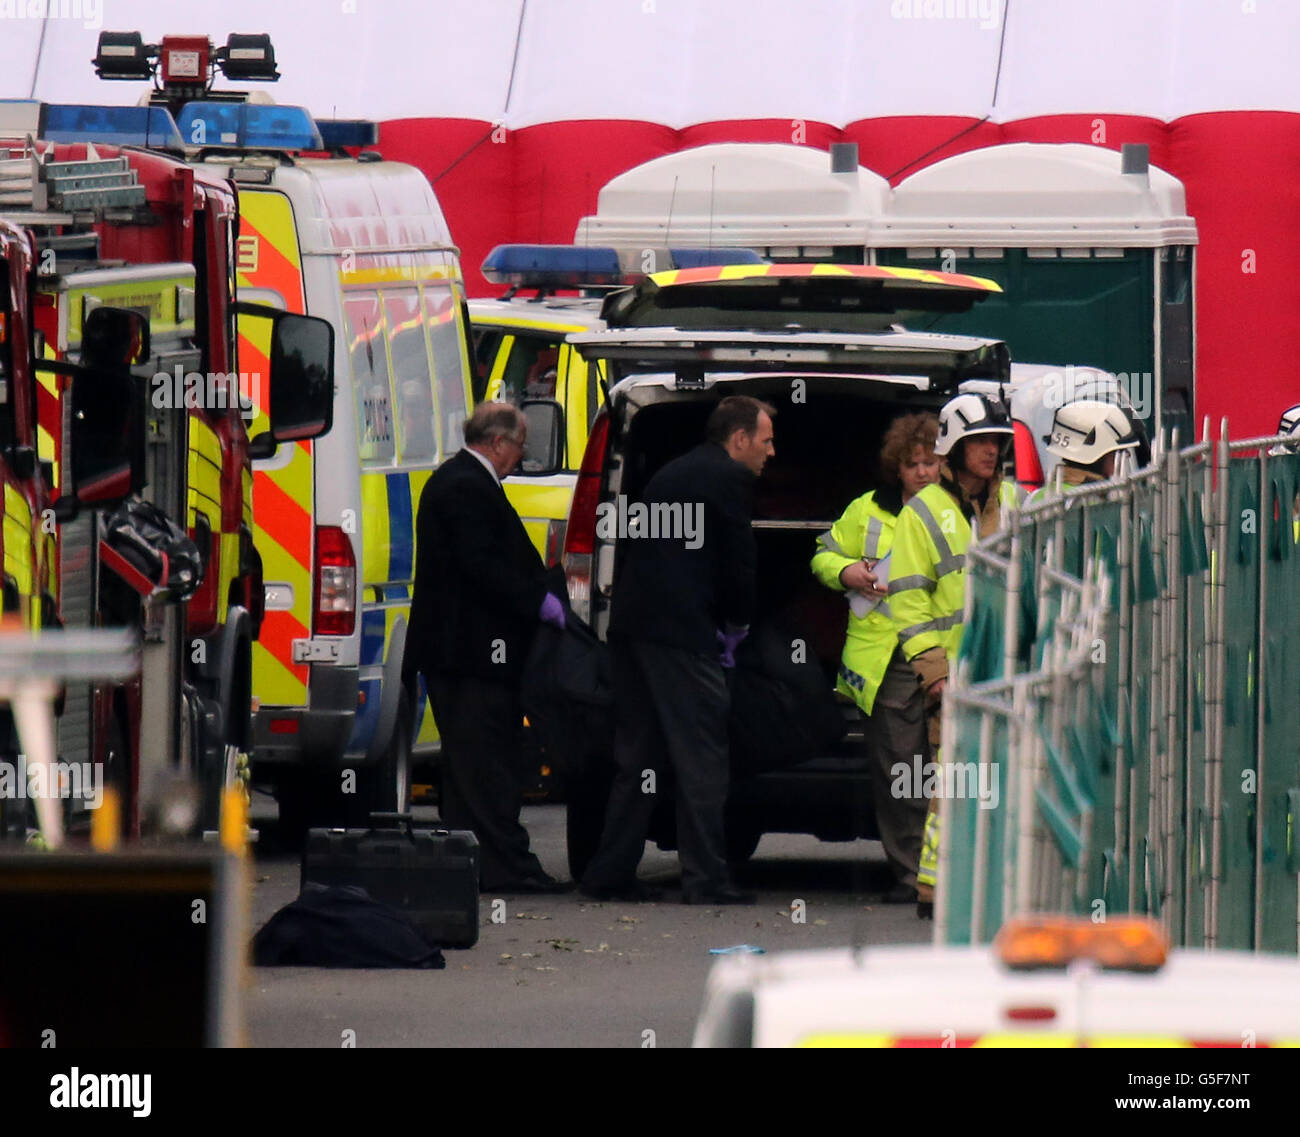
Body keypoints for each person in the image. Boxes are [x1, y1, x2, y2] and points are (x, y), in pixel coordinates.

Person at [580, 395, 775, 905]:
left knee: (638, 758)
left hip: (633, 631)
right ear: (739, 439)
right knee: (702, 759)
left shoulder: (672, 472)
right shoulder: (731, 479)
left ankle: (610, 872)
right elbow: (739, 564)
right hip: (682, 638)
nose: (770, 452)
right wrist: (738, 625)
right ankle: (706, 879)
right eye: (766, 440)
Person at [405, 401, 569, 893]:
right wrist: (536, 600)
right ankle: (505, 867)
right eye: (519, 446)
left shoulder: (466, 482)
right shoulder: (464, 487)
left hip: (470, 654)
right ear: (497, 442)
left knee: (469, 767)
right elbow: (482, 569)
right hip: (470, 655)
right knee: (485, 765)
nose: (521, 457)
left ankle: (467, 865)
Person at [888, 393, 1019, 917]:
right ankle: (934, 893)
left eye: (997, 441)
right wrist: (935, 673)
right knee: (955, 785)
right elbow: (908, 598)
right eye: (980, 441)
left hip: (1010, 667)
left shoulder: (1017, 503)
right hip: (956, 676)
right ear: (954, 448)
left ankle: (996, 888)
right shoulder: (922, 513)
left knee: (1005, 781)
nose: (991, 450)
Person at [810, 413, 941, 903]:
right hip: (887, 660)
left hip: (942, 650)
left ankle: (945, 873)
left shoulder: (952, 514)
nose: (924, 472)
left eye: (932, 462)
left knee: (948, 770)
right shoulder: (867, 510)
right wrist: (849, 573)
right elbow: (822, 554)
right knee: (898, 769)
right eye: (914, 464)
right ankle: (910, 875)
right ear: (898, 468)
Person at [1029, 399, 1141, 503]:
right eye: (1117, 454)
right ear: (1097, 455)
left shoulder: (1035, 498)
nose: (1121, 462)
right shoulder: (1095, 505)